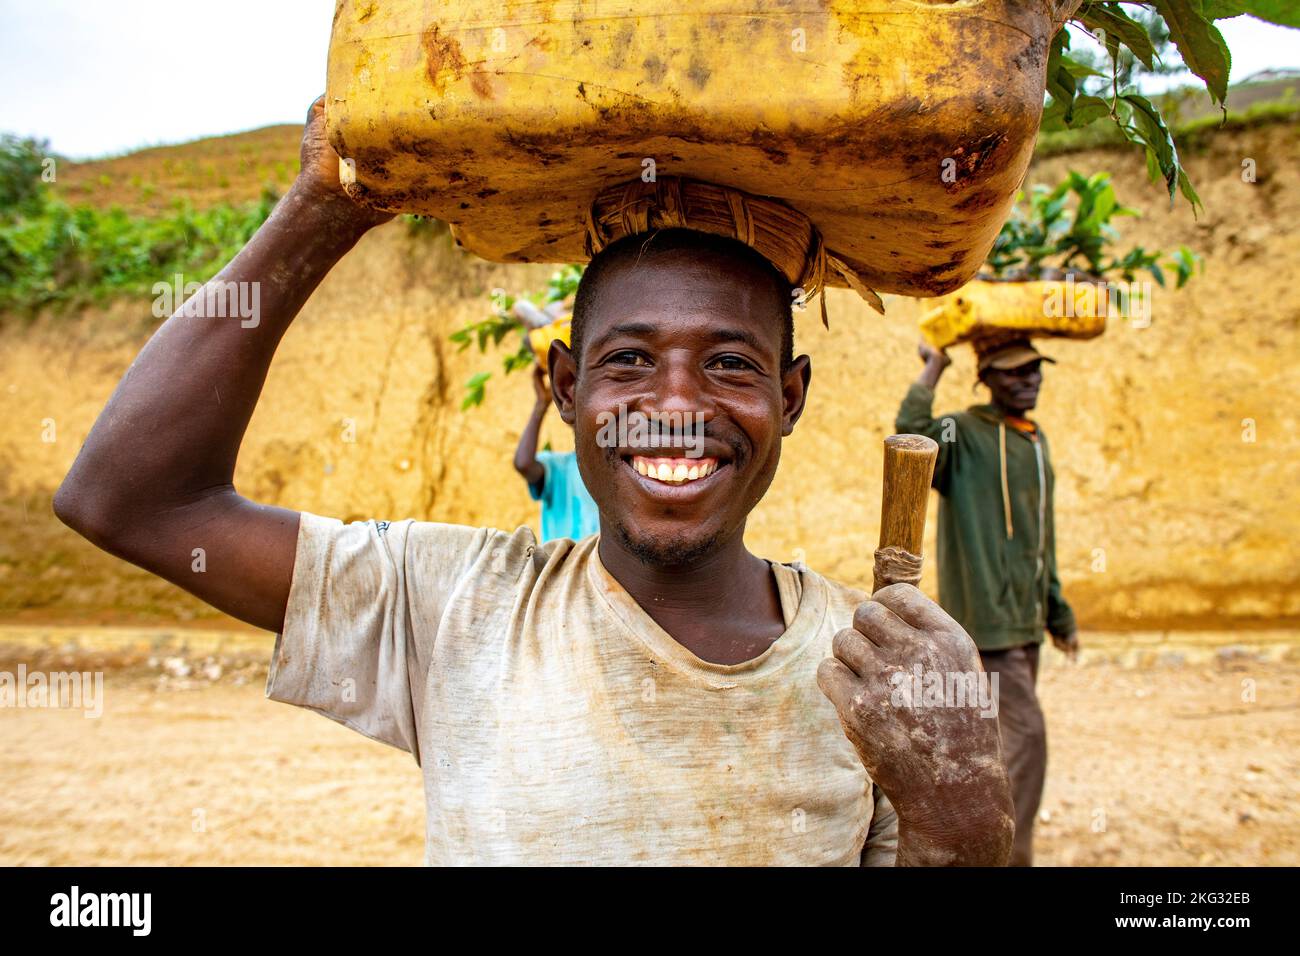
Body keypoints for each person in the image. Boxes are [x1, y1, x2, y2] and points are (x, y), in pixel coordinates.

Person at [53, 96, 1014, 866]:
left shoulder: (872, 673)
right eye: (628, 362)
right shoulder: (449, 607)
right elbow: (132, 501)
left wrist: (964, 822)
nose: (675, 403)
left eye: (730, 364)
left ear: (792, 396)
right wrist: (326, 204)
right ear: (563, 386)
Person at [896, 337, 1080, 866]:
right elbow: (912, 439)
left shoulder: (1035, 442)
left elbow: (1043, 537)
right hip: (984, 621)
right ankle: (1008, 857)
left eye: (1034, 370)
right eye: (1014, 373)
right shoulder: (965, 435)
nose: (1029, 380)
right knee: (1027, 738)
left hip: (1026, 622)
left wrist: (1058, 613)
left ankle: (979, 849)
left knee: (997, 744)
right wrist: (932, 370)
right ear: (988, 380)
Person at [515, 364, 600, 542]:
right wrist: (540, 405)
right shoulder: (557, 468)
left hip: (598, 568)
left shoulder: (617, 467)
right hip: (562, 567)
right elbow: (523, 463)